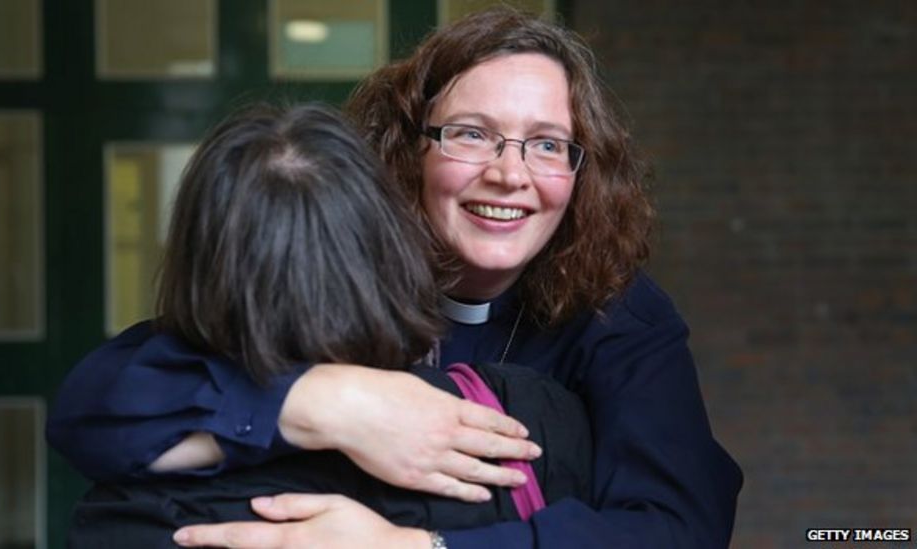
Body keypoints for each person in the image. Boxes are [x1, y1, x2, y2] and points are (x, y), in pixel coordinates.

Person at [48, 7, 742, 549]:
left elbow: (677, 527)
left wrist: (418, 544)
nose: (510, 171)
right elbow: (94, 408)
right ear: (407, 149)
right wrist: (329, 400)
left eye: (547, 144)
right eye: (471, 133)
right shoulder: (331, 277)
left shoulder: (618, 314)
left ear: (583, 173)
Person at [61, 103, 594, 548]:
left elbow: (88, 407)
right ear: (387, 246)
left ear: (200, 265)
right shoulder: (529, 423)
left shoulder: (125, 505)